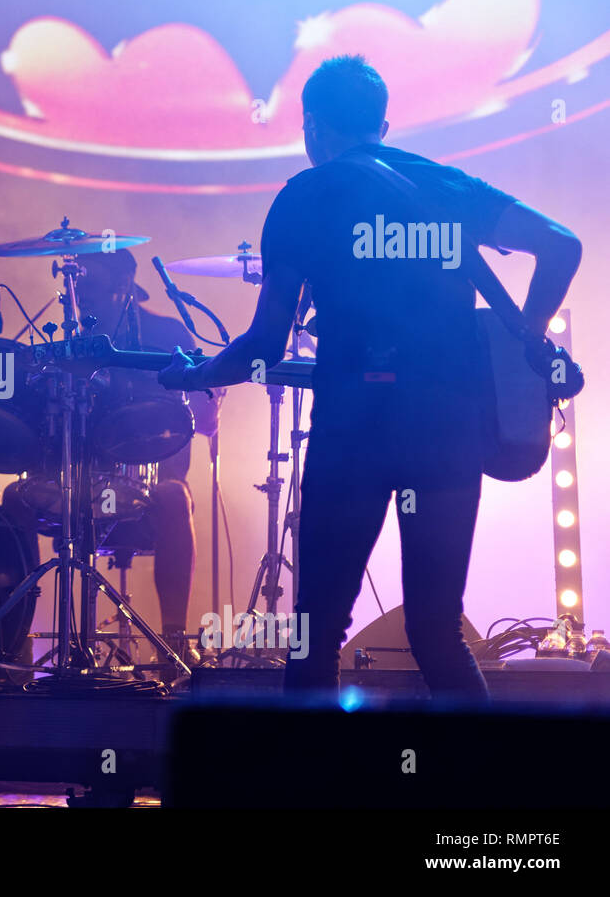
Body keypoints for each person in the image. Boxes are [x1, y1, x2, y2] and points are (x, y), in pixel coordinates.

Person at [157, 55, 580, 702]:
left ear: (312, 128)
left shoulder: (304, 197)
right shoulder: (444, 184)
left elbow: (266, 343)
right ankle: (484, 788)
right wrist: (528, 338)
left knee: (316, 632)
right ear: (383, 124)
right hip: (446, 430)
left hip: (354, 431)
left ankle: (315, 792)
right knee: (437, 629)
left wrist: (202, 373)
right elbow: (562, 245)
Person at [74, 249, 219, 666]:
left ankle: (173, 641)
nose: (83, 297)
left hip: (154, 478)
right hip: (84, 476)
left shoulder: (167, 332)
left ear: (122, 289)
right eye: (78, 287)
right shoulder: (72, 337)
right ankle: (14, 641)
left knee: (175, 497)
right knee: (14, 498)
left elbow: (204, 422)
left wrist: (211, 395)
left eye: (92, 286)